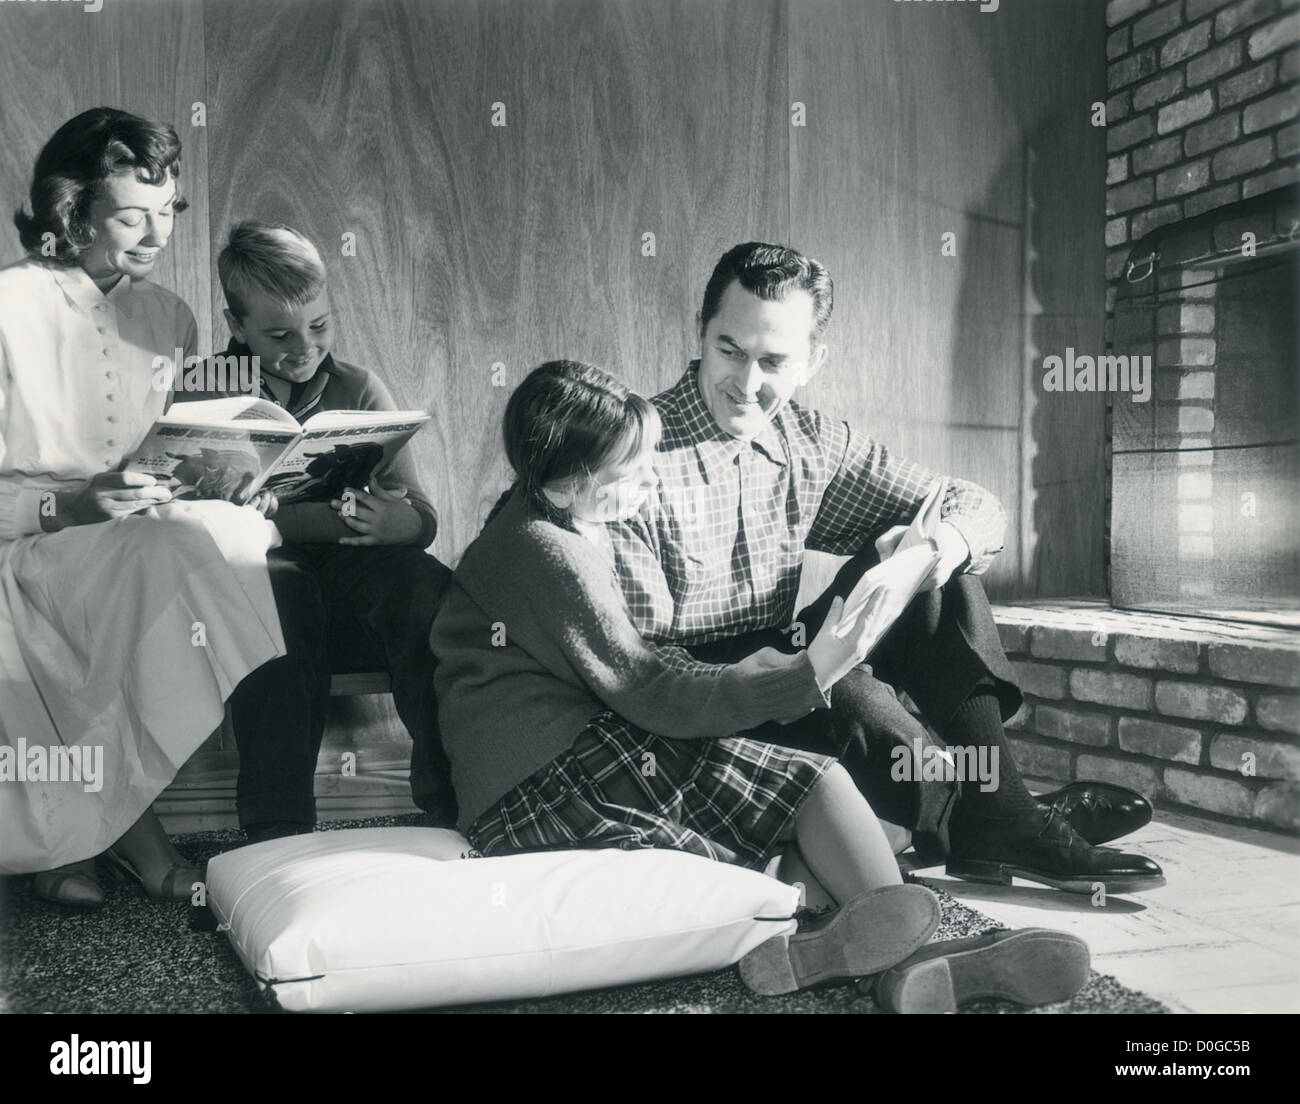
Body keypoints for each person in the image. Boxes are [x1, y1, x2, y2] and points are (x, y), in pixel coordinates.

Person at [430, 360, 1090, 1009]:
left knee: (839, 829)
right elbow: (649, 686)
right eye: (629, 474)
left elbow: (628, 667)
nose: (647, 483)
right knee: (820, 785)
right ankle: (919, 962)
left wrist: (750, 674)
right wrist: (804, 676)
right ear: (572, 485)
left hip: (539, 773)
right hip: (555, 778)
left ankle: (821, 945)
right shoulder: (554, 553)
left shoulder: (532, 519)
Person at [606, 242, 1163, 896]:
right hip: (689, 694)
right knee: (853, 696)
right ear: (700, 334)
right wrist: (814, 671)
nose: (748, 383)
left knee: (930, 551)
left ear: (813, 361)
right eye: (729, 350)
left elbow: (972, 504)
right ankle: (1004, 810)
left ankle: (999, 811)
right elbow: (631, 668)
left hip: (786, 659)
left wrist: (921, 559)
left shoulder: (811, 442)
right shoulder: (628, 450)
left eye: (774, 361)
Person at [0, 108, 284, 907]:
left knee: (217, 534)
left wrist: (223, 475)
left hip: (121, 535)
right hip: (22, 540)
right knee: (138, 568)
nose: (157, 235)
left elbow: (155, 452)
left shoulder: (170, 320)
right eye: (132, 215)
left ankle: (96, 835)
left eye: (168, 213)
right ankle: (101, 838)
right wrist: (69, 505)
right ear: (69, 212)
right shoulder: (8, 306)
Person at [172, 222, 454, 839]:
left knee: (425, 588)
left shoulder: (358, 385)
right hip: (261, 582)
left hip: (359, 581)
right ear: (236, 324)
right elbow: (191, 520)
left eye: (320, 326)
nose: (304, 347)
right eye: (278, 334)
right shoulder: (201, 390)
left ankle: (453, 802)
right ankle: (279, 832)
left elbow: (421, 516)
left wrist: (399, 522)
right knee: (276, 596)